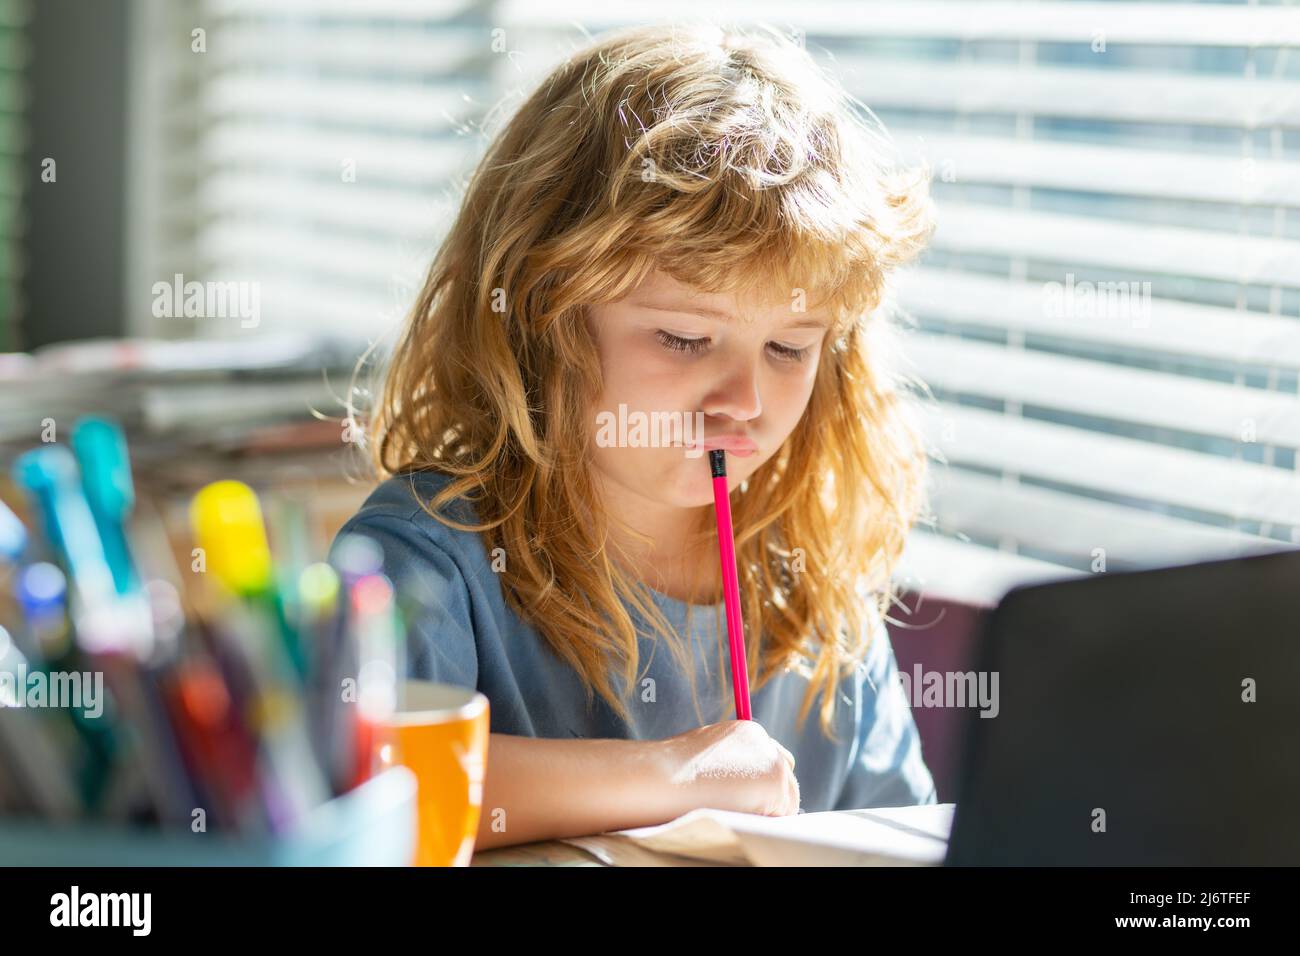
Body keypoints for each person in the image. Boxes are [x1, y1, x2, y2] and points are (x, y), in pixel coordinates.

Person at [334, 21, 939, 851]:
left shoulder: (818, 597)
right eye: (685, 339)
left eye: (789, 348)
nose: (744, 400)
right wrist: (670, 776)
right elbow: (359, 779)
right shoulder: (433, 560)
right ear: (540, 320)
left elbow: (913, 840)